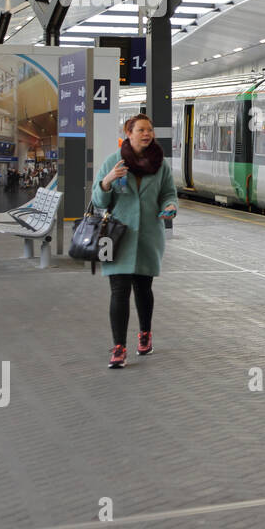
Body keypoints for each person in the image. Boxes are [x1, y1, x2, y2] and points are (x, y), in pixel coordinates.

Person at [91, 114, 178, 369]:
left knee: (143, 289)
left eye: (149, 130)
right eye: (140, 130)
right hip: (118, 238)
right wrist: (106, 182)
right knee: (119, 291)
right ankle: (118, 347)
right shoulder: (113, 161)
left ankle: (145, 334)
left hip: (148, 236)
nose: (146, 134)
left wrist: (170, 206)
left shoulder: (160, 165)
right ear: (128, 133)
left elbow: (168, 194)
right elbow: (99, 201)